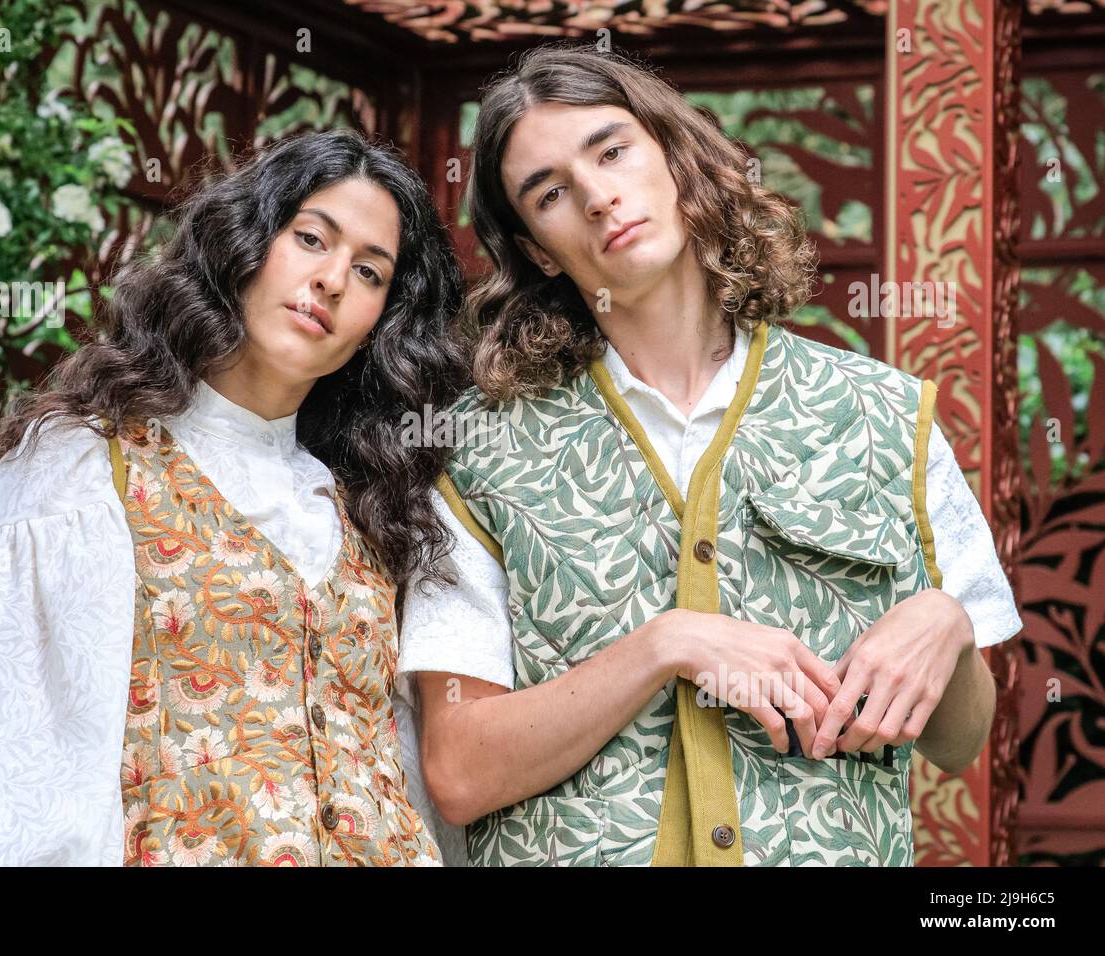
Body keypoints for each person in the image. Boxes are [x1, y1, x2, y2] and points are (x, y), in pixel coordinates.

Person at [398, 45, 1024, 867]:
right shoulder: (477, 452)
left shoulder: (884, 414)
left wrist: (945, 624)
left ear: (677, 160)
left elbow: (960, 740)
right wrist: (666, 645)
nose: (596, 196)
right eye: (549, 193)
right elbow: (460, 770)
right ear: (540, 250)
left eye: (612, 150)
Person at [0, 128, 468, 866]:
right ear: (243, 245)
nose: (335, 280)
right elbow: (17, 770)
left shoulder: (373, 506)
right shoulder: (85, 466)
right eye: (311, 238)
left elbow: (406, 776)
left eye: (371, 273)